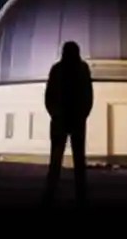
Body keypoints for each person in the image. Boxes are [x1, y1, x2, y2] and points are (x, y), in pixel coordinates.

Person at [43, 40, 93, 204]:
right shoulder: (82, 69)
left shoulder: (57, 69)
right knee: (77, 160)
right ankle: (81, 194)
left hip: (62, 121)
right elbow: (88, 96)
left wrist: (56, 115)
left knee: (57, 160)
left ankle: (51, 192)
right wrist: (81, 115)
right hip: (72, 120)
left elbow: (49, 96)